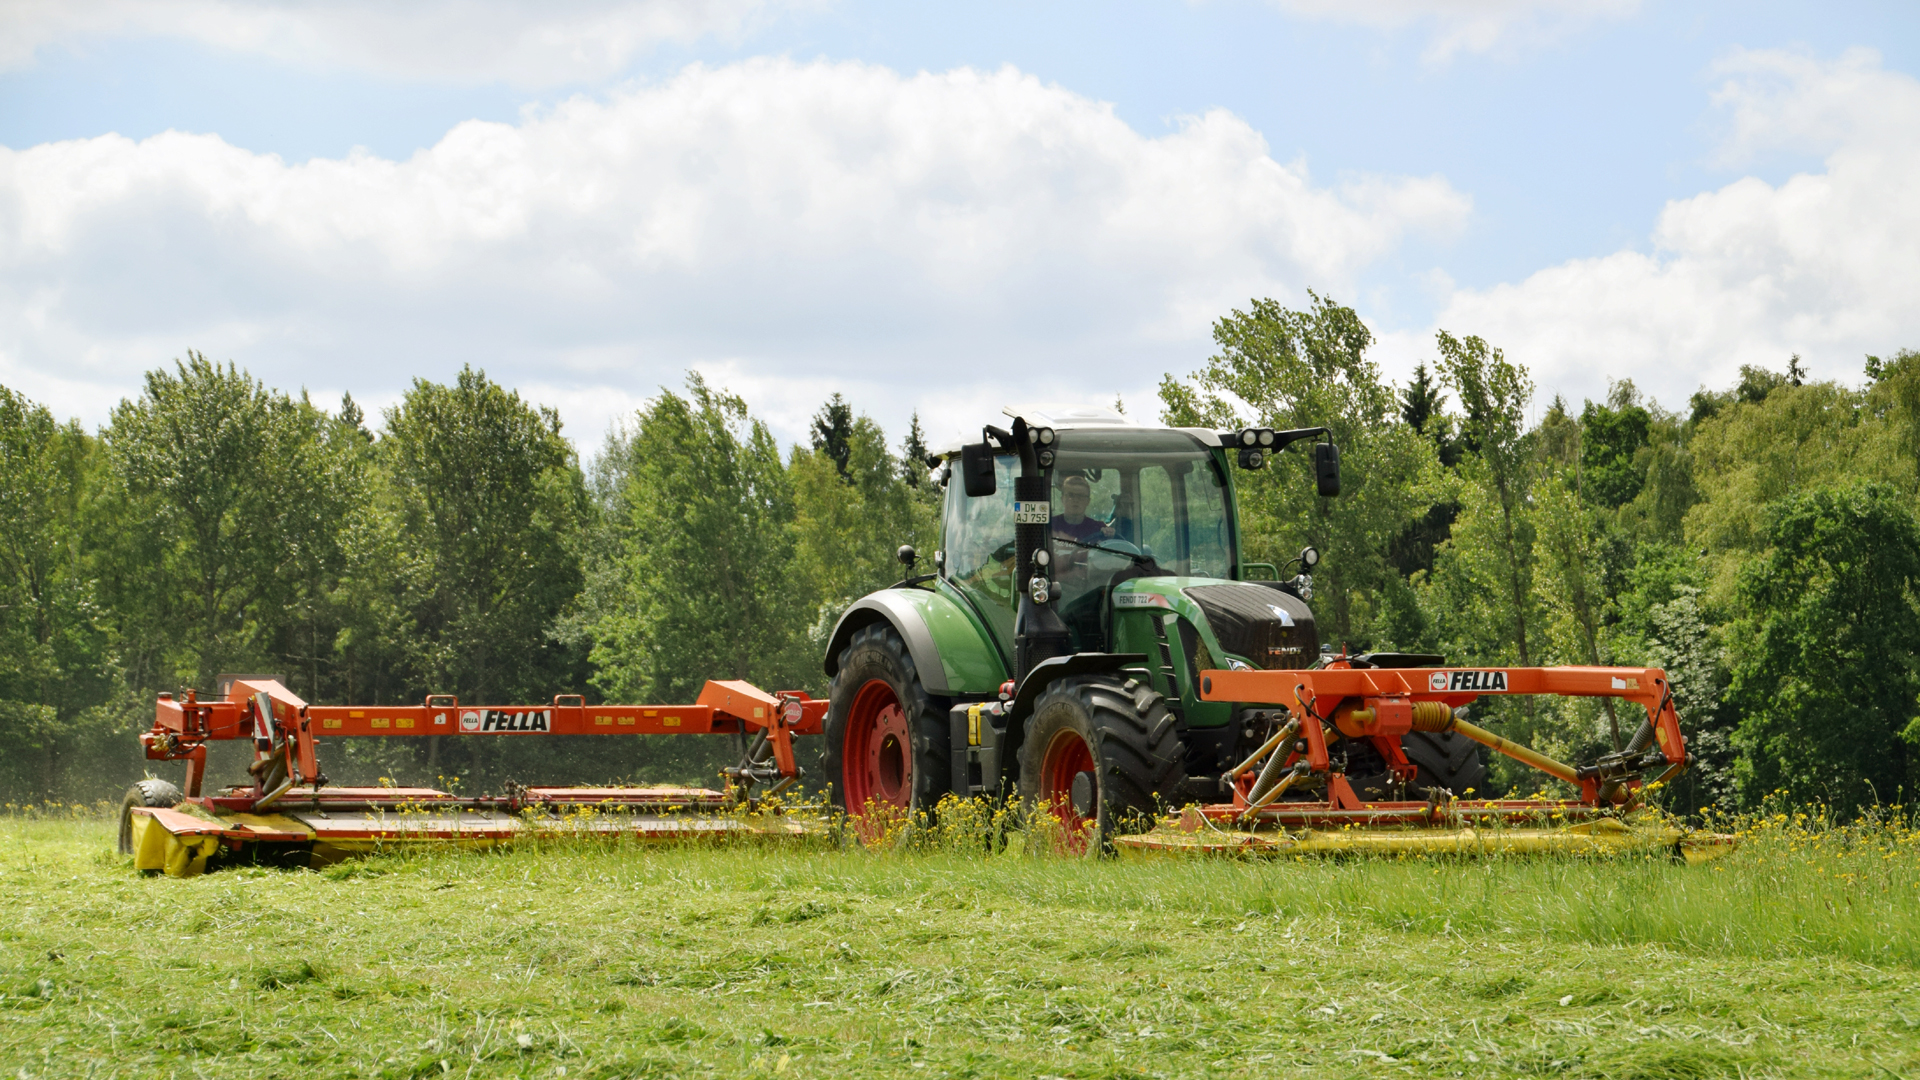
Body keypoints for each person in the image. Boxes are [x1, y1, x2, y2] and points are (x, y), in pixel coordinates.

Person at [1053, 475, 1113, 545]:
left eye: (1080, 496)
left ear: (1088, 501)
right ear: (1062, 499)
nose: (1075, 500)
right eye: (1071, 495)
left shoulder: (1098, 529)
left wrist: (1109, 535)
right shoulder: (1050, 526)